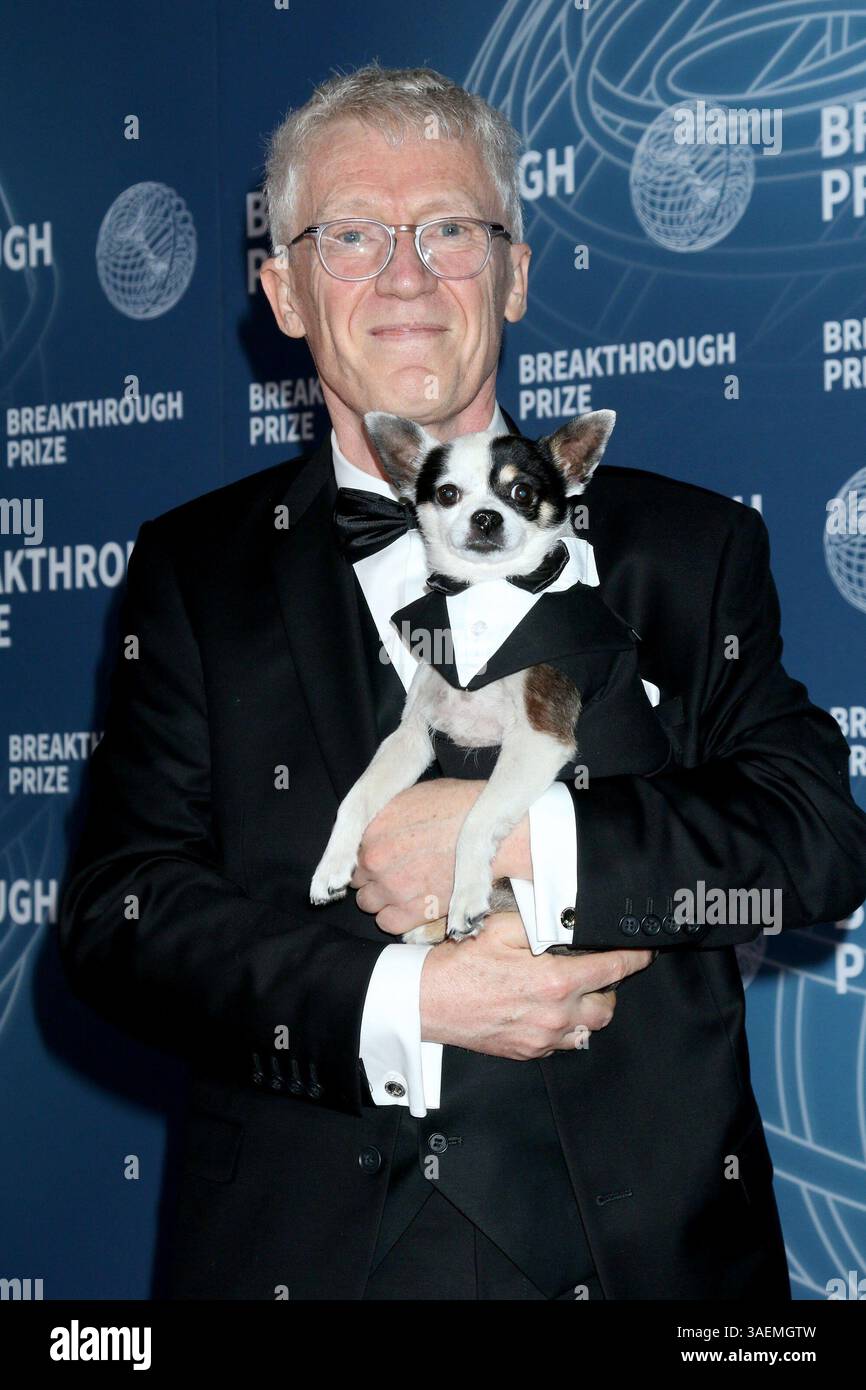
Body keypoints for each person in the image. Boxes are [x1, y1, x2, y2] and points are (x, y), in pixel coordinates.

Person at [59, 63, 866, 1301]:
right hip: (312, 1262)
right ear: (279, 290)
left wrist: (528, 840)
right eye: (347, 237)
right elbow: (124, 924)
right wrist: (408, 995)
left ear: (517, 271)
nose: (403, 273)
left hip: (654, 1269)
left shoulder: (688, 548)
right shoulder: (189, 575)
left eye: (448, 228)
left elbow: (812, 845)